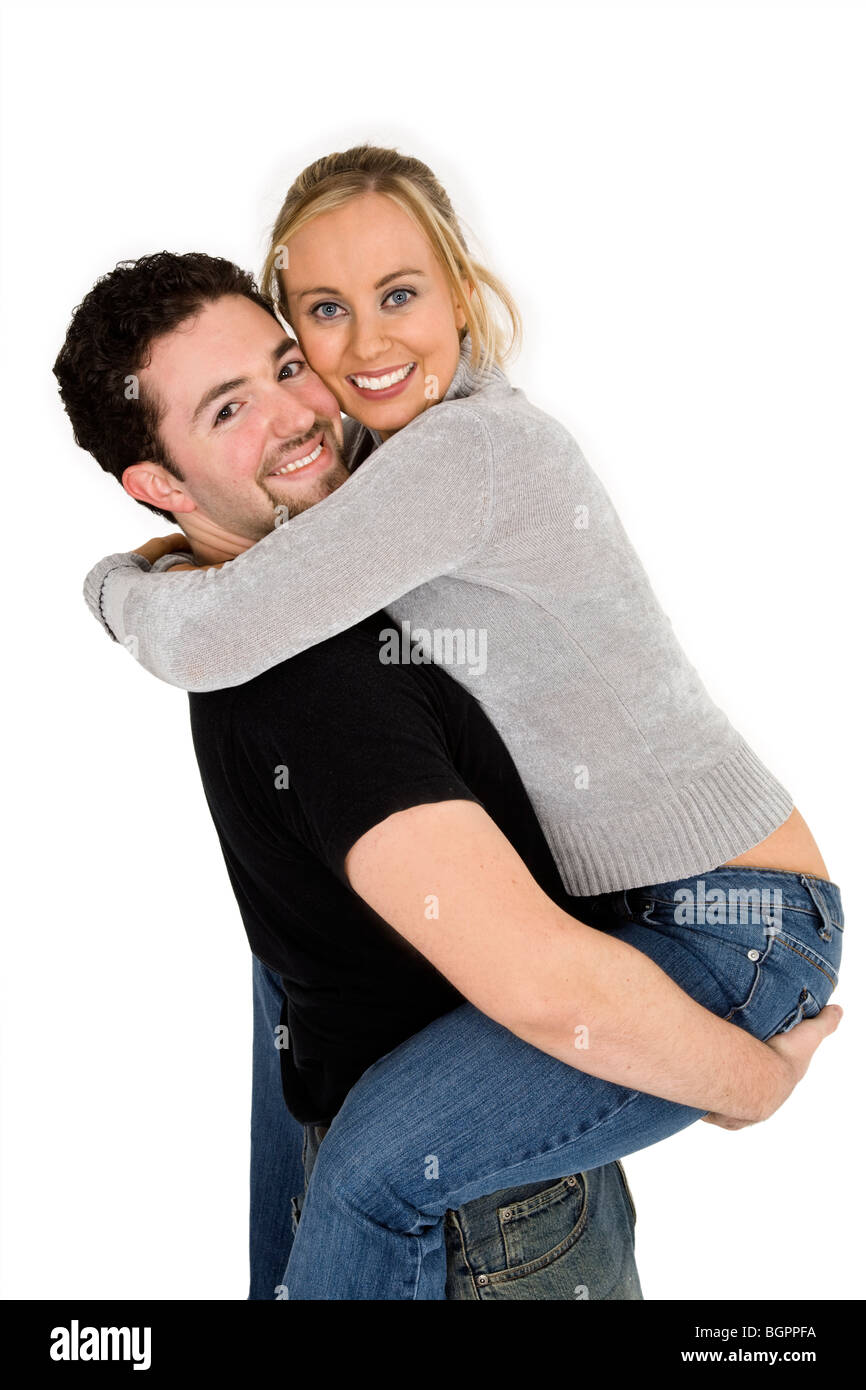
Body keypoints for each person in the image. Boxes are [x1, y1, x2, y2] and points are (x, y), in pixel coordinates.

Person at [64, 177, 843, 1294]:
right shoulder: (372, 472)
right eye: (321, 318)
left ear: (465, 297)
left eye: (398, 295)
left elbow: (211, 631)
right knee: (290, 990)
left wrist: (115, 580)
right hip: (635, 911)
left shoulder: (462, 456)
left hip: (736, 916)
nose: (354, 353)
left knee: (373, 1165)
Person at [55, 252, 643, 1301]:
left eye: (287, 365)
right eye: (230, 408)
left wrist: (122, 583)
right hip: (484, 1214)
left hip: (430, 1171)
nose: (297, 415)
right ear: (156, 484)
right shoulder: (310, 668)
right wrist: (750, 1077)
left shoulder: (291, 581)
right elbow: (541, 985)